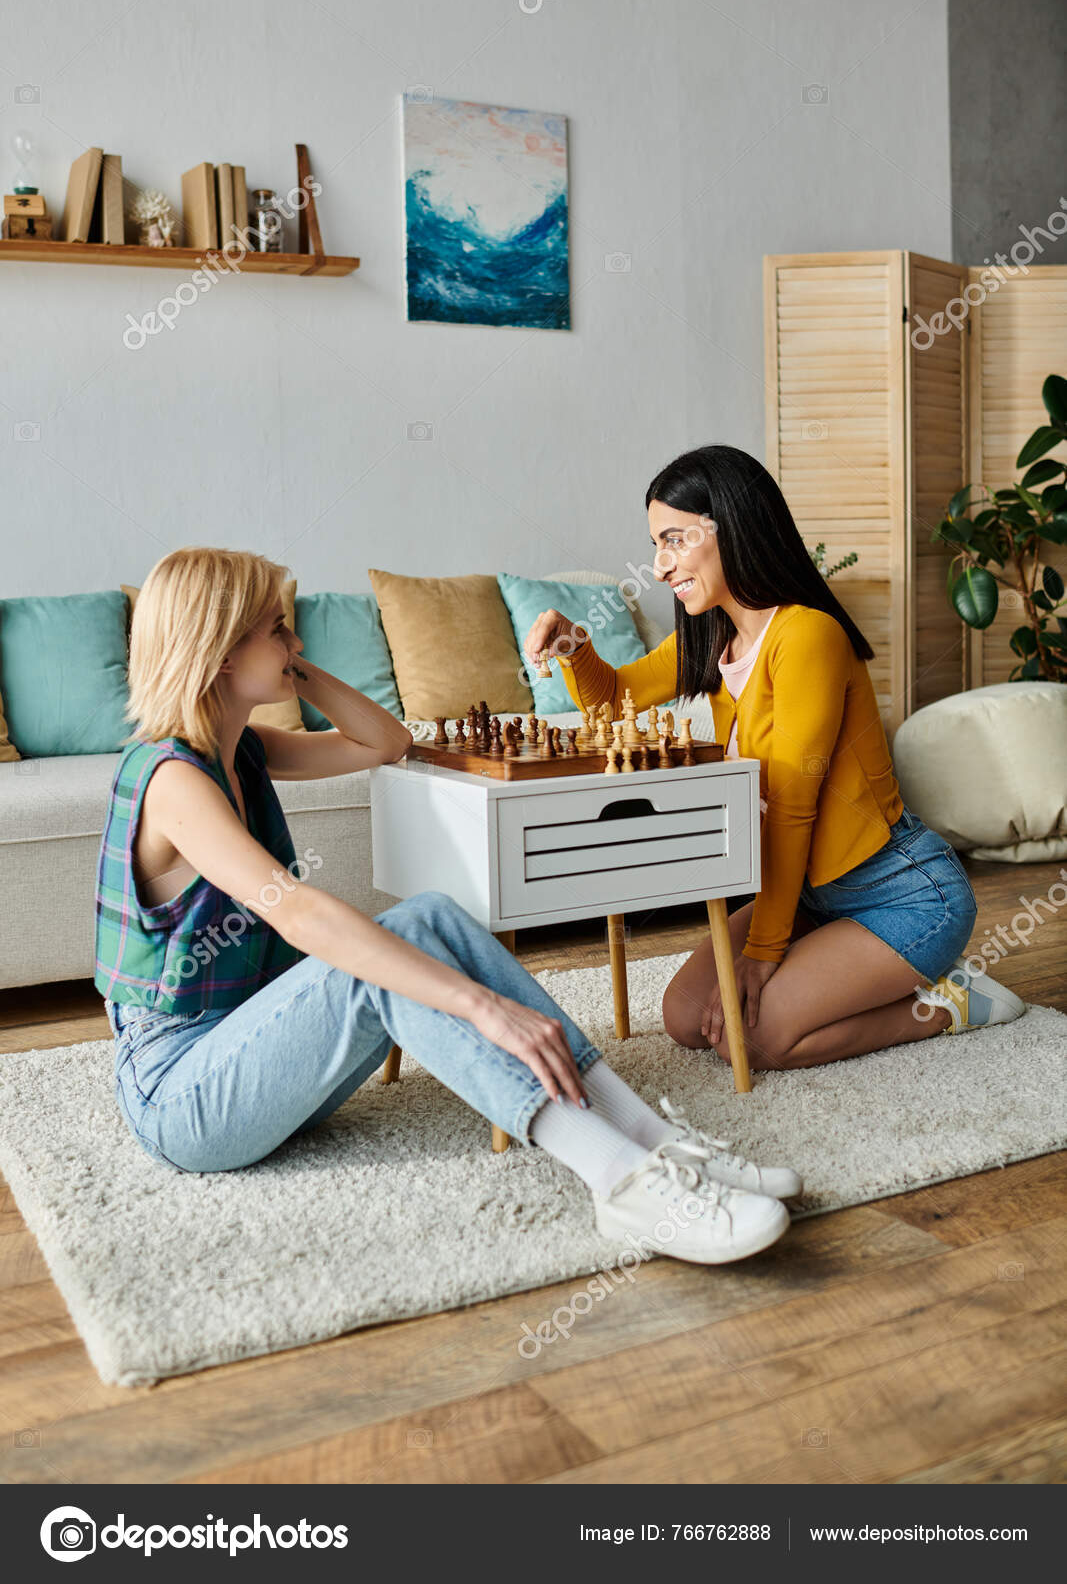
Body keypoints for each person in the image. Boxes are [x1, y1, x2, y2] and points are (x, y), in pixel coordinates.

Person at [93, 545, 803, 1267]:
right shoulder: (172, 781)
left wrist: (284, 665)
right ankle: (620, 1184)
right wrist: (477, 1004)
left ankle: (656, 1145)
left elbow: (387, 741)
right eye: (279, 629)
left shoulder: (241, 750)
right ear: (216, 653)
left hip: (254, 1049)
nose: (298, 640)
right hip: (183, 1097)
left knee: (426, 916)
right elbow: (299, 914)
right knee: (376, 966)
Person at [523, 446, 1028, 1072]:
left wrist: (764, 953)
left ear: (727, 527)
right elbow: (616, 698)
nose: (658, 567)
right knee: (685, 1020)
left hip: (901, 894)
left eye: (674, 540)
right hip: (809, 897)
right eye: (656, 544)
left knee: (753, 1039)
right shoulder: (711, 638)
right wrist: (572, 643)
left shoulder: (808, 635)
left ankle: (951, 1003)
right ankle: (830, 962)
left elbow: (791, 803)